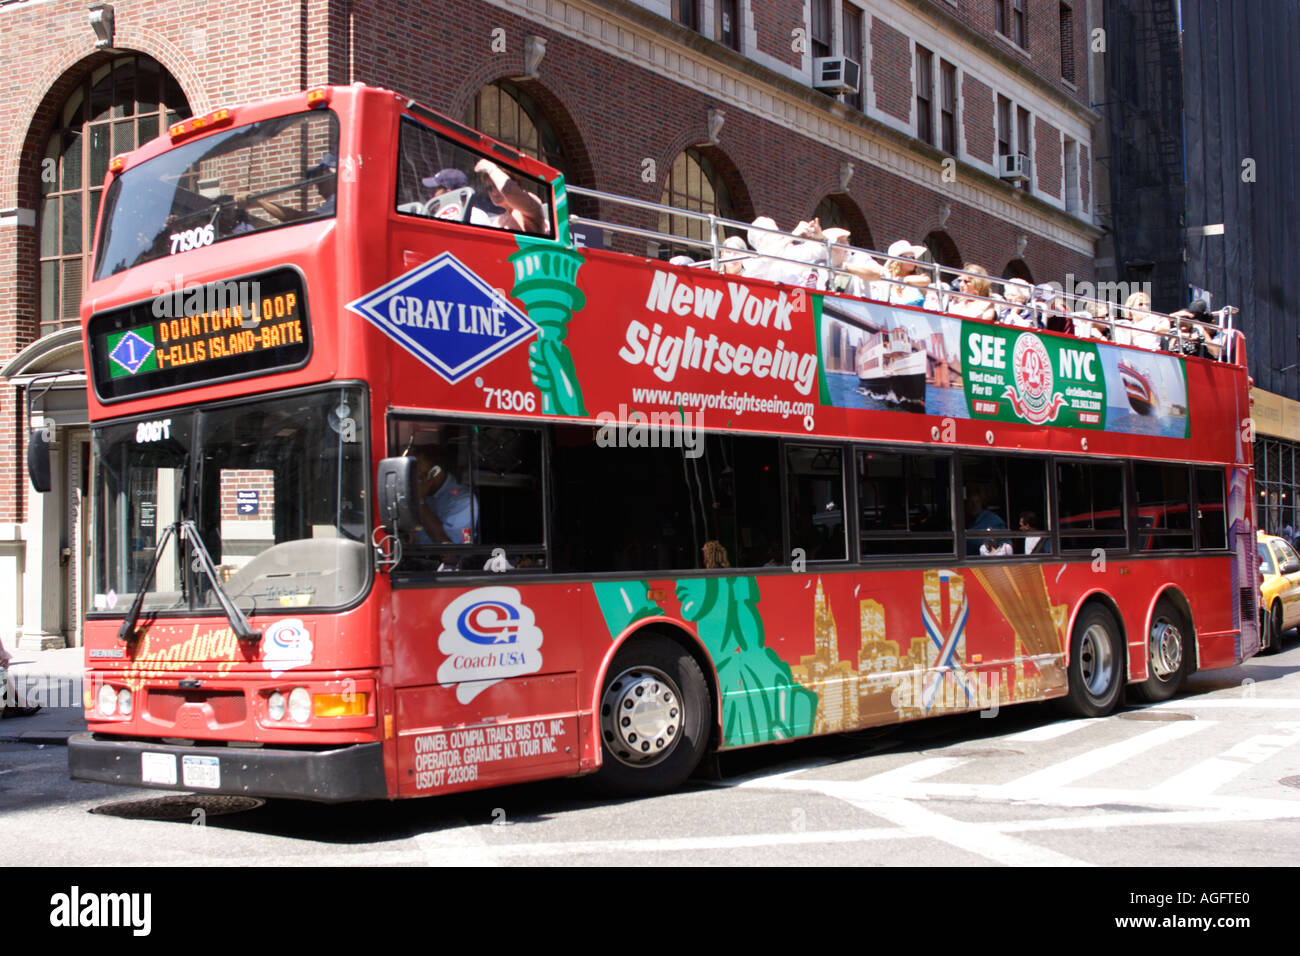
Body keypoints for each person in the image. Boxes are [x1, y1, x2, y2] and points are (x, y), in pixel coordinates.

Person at [242, 152, 337, 223]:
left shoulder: (336, 201)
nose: (317, 184)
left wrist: (261, 202)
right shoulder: (334, 202)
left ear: (330, 173)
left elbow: (299, 218)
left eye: (319, 178)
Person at [413, 451, 478, 547]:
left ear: (434, 472)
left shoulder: (463, 500)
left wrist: (420, 501)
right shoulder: (427, 494)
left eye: (419, 474)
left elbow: (447, 543)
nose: (414, 477)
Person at [473, 157, 547, 234]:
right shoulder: (498, 221)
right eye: (489, 188)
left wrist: (491, 169)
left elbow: (509, 191)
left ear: (515, 183)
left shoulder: (532, 203)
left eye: (496, 185)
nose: (493, 192)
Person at [863, 240, 930, 307]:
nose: (912, 260)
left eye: (913, 257)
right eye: (907, 257)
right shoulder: (887, 280)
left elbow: (926, 281)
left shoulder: (920, 278)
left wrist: (904, 280)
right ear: (896, 261)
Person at [966, 488, 1008, 556]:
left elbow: (1004, 542)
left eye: (977, 502)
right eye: (971, 502)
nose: (974, 505)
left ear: (981, 503)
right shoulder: (964, 519)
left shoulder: (993, 519)